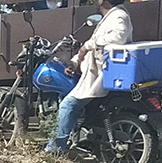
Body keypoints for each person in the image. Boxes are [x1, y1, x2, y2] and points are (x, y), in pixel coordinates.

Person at [45, 0, 133, 153]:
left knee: (68, 105)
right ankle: (75, 136)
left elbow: (118, 37)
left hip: (99, 76)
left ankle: (55, 149)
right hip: (91, 73)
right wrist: (75, 62)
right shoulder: (110, 16)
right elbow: (91, 50)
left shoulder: (119, 15)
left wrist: (88, 45)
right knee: (65, 94)